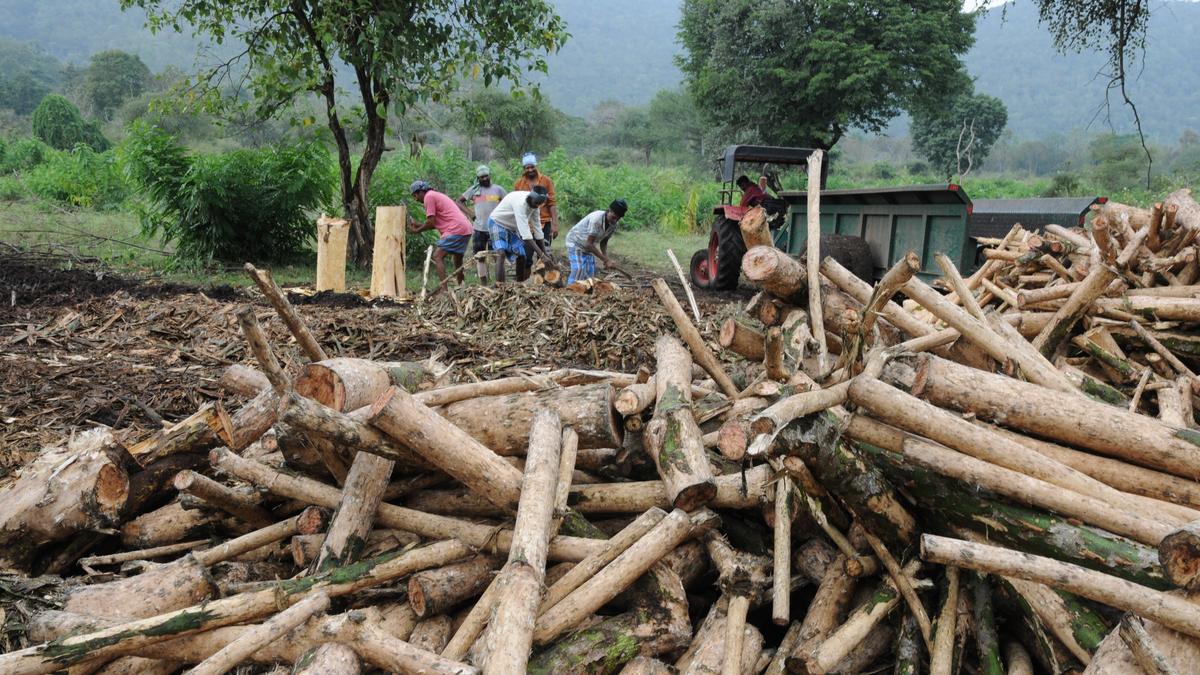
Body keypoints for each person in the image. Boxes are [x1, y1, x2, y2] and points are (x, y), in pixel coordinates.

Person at [408, 180, 474, 294]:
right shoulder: (435, 195)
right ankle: (461, 287)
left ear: (420, 192)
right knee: (457, 260)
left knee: (437, 256)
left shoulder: (429, 197)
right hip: (465, 228)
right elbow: (435, 223)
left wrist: (416, 230)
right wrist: (418, 225)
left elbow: (431, 222)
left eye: (415, 195)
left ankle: (444, 291)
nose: (416, 199)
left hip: (456, 229)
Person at [488, 189, 557, 282]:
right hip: (497, 223)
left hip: (512, 228)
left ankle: (519, 285)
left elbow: (538, 230)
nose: (536, 206)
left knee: (521, 255)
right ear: (530, 198)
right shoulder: (520, 204)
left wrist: (545, 254)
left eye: (539, 204)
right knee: (501, 253)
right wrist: (542, 256)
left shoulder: (535, 207)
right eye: (536, 203)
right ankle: (499, 286)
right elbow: (526, 236)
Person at [458, 165, 506, 285]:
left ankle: (500, 283)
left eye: (486, 176)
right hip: (479, 228)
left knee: (498, 256)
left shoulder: (498, 189)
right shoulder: (474, 190)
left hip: (495, 228)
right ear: (478, 178)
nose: (484, 179)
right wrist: (470, 214)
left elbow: (507, 202)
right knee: (480, 257)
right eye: (481, 177)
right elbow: (459, 201)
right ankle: (484, 284)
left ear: (490, 175)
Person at [565, 199, 627, 284]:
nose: (615, 220)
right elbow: (589, 244)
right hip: (575, 242)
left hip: (588, 247)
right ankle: (570, 288)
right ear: (609, 210)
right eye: (614, 217)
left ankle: (585, 291)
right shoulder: (597, 219)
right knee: (579, 270)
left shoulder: (614, 224)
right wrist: (606, 260)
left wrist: (606, 257)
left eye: (618, 218)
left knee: (590, 275)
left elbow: (604, 242)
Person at [512, 152, 559, 249]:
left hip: (545, 222)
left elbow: (552, 203)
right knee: (527, 254)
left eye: (532, 167)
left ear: (536, 166)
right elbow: (516, 205)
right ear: (524, 169)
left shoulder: (546, 181)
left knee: (545, 251)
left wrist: (554, 225)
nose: (530, 170)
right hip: (527, 223)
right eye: (527, 168)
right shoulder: (519, 184)